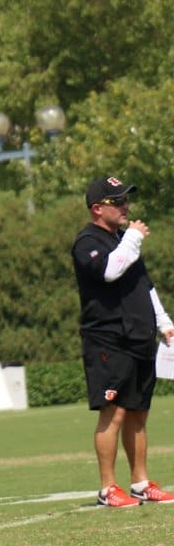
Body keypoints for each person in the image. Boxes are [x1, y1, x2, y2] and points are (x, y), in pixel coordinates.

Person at [71, 176, 174, 507]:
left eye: (126, 199)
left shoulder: (123, 239)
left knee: (137, 413)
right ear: (98, 208)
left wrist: (164, 323)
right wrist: (131, 239)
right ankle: (107, 488)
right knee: (112, 413)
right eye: (118, 201)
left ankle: (140, 483)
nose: (126, 206)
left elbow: (145, 286)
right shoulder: (88, 240)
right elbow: (109, 271)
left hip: (138, 337)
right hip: (108, 339)